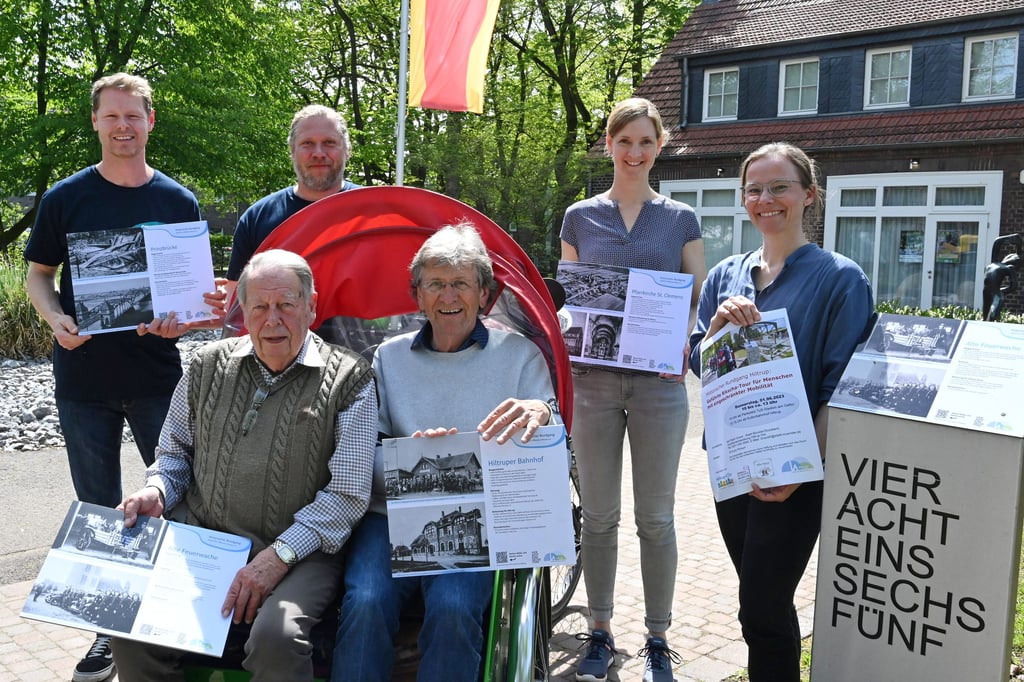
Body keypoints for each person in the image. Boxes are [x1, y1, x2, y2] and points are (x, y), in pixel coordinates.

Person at [23, 72, 215, 682]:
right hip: (84, 378)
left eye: (134, 116)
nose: (123, 127)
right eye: (112, 117)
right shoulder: (66, 198)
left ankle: (182, 627)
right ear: (97, 122)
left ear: (150, 121)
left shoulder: (177, 202)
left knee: (181, 496)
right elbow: (38, 275)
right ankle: (108, 635)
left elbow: (195, 303)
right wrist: (54, 318)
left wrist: (176, 326)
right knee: (98, 510)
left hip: (159, 375)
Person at [111, 249, 378, 681]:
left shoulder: (350, 378)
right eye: (260, 306)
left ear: (311, 306)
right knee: (130, 626)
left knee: (278, 637)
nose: (272, 319)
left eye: (286, 305)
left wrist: (278, 556)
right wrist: (156, 491)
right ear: (244, 311)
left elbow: (346, 496)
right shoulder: (205, 366)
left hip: (299, 553)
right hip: (205, 543)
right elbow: (174, 455)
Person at [331, 223, 559, 682]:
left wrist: (543, 410)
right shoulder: (388, 357)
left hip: (481, 517)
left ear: (483, 293)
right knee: (365, 599)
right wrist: (406, 462)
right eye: (435, 283)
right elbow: (362, 452)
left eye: (460, 283)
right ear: (417, 295)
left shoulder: (520, 356)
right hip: (392, 512)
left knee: (454, 606)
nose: (448, 295)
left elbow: (551, 440)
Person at [688, 142, 874, 681]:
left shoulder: (841, 279)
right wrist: (719, 330)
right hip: (732, 467)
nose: (765, 199)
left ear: (808, 195)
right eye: (754, 189)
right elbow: (703, 366)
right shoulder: (725, 276)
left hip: (797, 471)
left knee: (762, 606)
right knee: (761, 605)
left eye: (779, 187)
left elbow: (843, 386)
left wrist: (800, 471)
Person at [560, 97, 705, 682]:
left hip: (658, 386)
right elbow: (572, 301)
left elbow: (696, 296)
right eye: (625, 141)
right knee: (597, 516)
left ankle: (657, 636)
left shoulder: (680, 218)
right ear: (608, 144)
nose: (635, 152)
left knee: (657, 518)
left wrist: (664, 309)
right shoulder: (579, 217)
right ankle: (599, 630)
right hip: (592, 384)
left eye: (646, 142)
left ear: (659, 146)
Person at [224, 104, 360, 296]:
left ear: (347, 150)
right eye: (307, 144)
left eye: (329, 143)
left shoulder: (374, 211)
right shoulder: (257, 218)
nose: (319, 153)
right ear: (292, 151)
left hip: (363, 327)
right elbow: (236, 302)